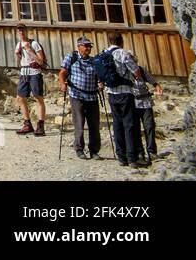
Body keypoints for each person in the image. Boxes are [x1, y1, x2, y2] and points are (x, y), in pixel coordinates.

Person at [99, 32, 146, 167]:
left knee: (117, 123)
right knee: (129, 124)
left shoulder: (104, 53)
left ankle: (121, 156)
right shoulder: (123, 53)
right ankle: (132, 158)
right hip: (125, 92)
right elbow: (136, 71)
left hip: (111, 93)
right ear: (121, 41)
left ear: (109, 40)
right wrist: (137, 78)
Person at [58, 35, 99, 159]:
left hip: (92, 96)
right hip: (77, 95)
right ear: (79, 47)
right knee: (79, 123)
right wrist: (62, 84)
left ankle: (94, 150)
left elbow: (98, 77)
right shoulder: (72, 57)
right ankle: (79, 149)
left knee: (94, 125)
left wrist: (100, 83)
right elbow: (62, 73)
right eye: (85, 46)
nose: (88, 48)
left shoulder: (93, 61)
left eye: (89, 46)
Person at [14, 26, 46, 136]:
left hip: (34, 73)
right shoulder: (18, 44)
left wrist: (29, 50)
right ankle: (27, 124)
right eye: (19, 30)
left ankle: (40, 125)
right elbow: (18, 63)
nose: (21, 32)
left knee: (38, 97)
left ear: (26, 31)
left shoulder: (34, 44)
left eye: (22, 30)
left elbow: (40, 61)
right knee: (20, 98)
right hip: (24, 73)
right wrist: (17, 55)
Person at [133, 62, 163, 161]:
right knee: (135, 129)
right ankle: (140, 152)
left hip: (146, 103)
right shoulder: (124, 72)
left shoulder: (141, 70)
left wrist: (158, 88)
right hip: (133, 103)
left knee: (149, 126)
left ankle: (151, 152)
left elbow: (153, 81)